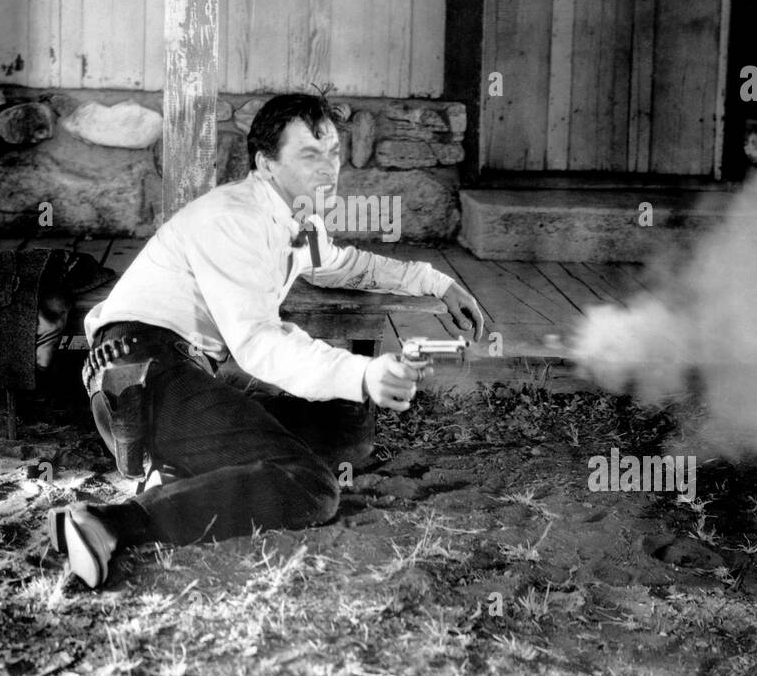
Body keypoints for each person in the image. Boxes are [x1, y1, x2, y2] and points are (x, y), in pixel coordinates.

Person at [47, 93, 485, 588]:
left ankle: (181, 469)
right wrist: (361, 372)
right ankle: (113, 522)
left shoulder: (297, 219)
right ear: (266, 163)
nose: (329, 168)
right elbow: (257, 342)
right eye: (309, 155)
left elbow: (341, 265)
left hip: (181, 371)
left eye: (334, 152)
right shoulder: (234, 219)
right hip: (140, 374)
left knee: (349, 430)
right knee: (312, 486)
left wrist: (433, 281)